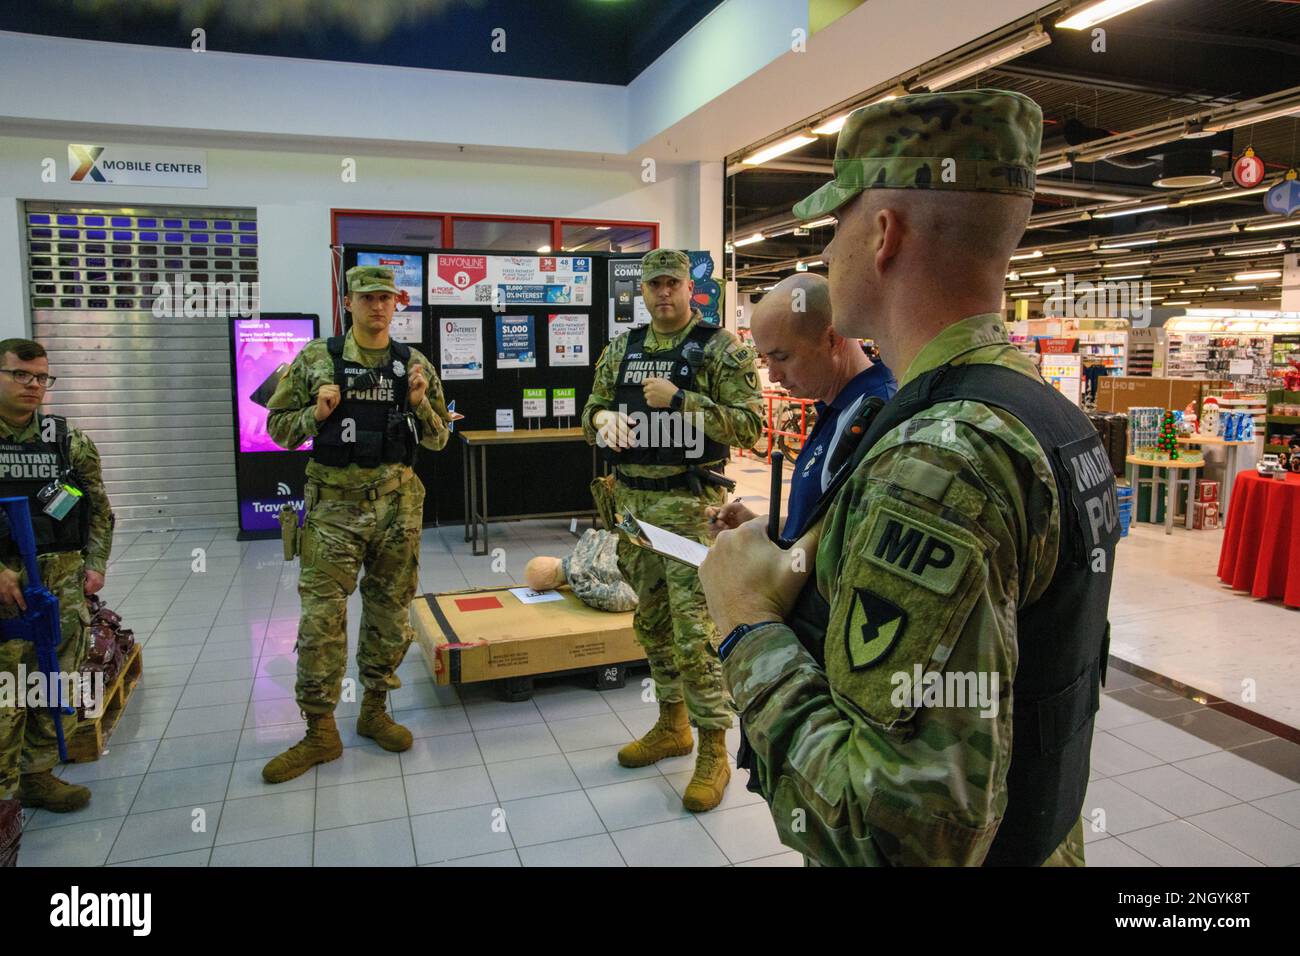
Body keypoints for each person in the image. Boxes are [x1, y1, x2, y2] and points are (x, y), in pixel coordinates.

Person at [699, 90, 1119, 866]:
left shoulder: (941, 456)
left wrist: (745, 623)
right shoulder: (1046, 416)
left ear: (884, 234)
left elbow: (892, 835)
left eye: (836, 224)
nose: (828, 253)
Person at [583, 248, 762, 812]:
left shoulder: (720, 348)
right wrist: (600, 420)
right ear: (642, 291)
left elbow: (750, 426)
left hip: (690, 509)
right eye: (654, 284)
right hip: (633, 507)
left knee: (696, 633)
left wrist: (682, 399)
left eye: (672, 284)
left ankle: (713, 750)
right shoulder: (623, 349)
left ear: (690, 290)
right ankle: (672, 724)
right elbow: (591, 410)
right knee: (653, 622)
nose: (663, 292)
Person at [261, 266, 451, 783]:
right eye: (366, 298)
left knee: (390, 614)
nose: (377, 306)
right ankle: (320, 731)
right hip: (333, 512)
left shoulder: (414, 364)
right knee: (321, 621)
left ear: (397, 303)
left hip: (397, 508)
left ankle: (374, 710)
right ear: (348, 303)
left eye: (385, 297)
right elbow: (276, 429)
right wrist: (316, 416)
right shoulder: (315, 359)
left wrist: (419, 407)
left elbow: (440, 439)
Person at [0, 338, 114, 851]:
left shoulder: (67, 441)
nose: (33, 386)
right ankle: (3, 791)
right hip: (6, 588)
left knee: (53, 680)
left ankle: (37, 774)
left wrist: (95, 565)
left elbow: (98, 506)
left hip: (62, 585)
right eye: (20, 375)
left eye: (42, 377)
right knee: (6, 690)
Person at [707, 273, 897, 544]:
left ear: (832, 339)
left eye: (782, 357)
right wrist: (767, 528)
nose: (773, 376)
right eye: (766, 359)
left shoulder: (879, 419)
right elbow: (827, 529)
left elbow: (856, 552)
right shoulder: (838, 408)